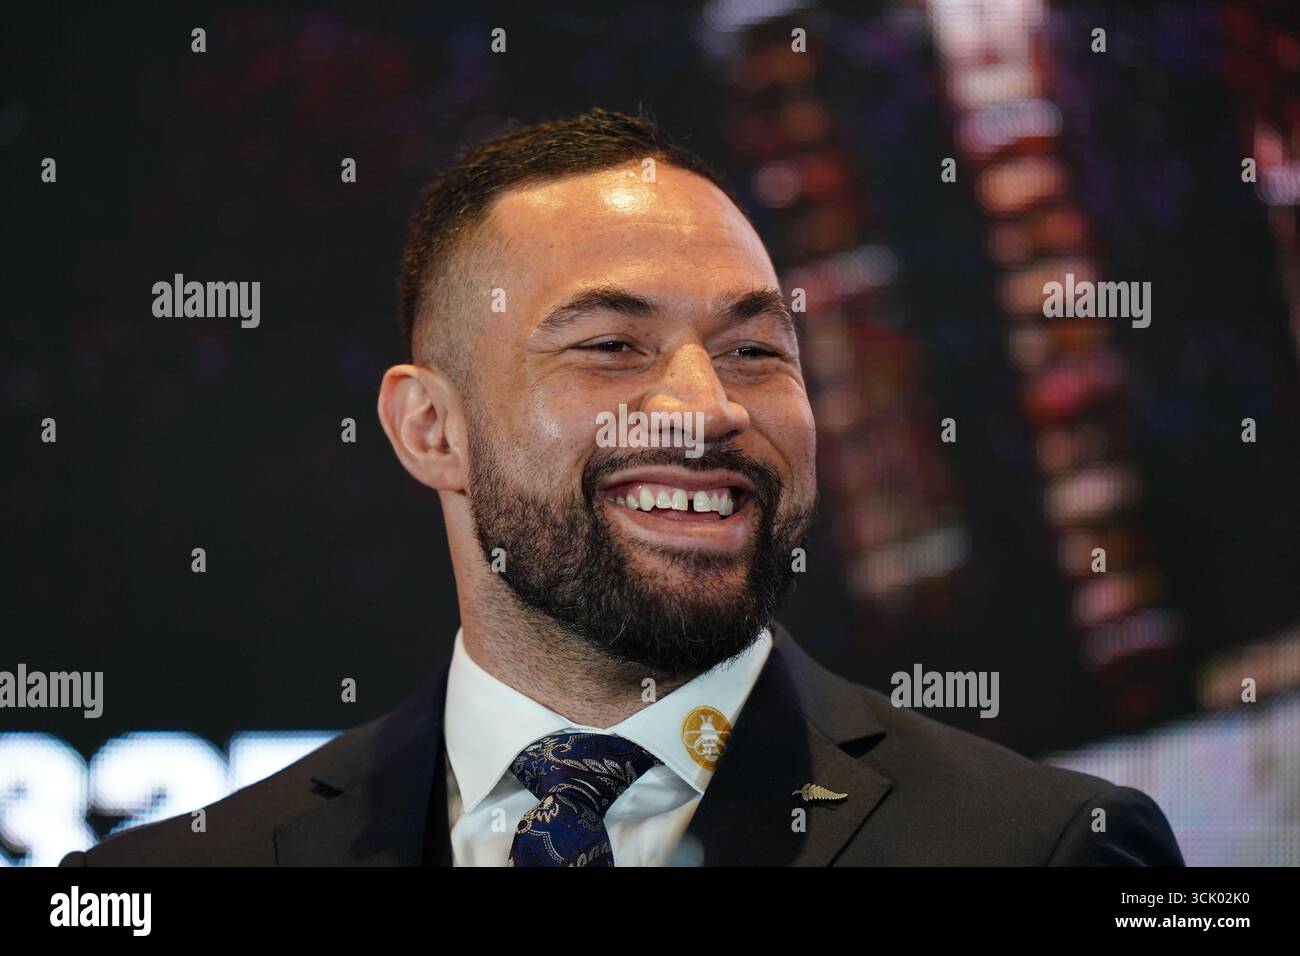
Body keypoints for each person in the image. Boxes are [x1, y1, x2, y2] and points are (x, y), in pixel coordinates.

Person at [61, 109, 1183, 867]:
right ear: (429, 427)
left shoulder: (1048, 849)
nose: (705, 409)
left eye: (755, 349)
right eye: (609, 345)